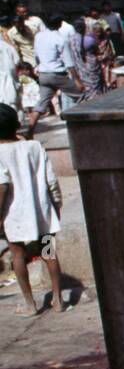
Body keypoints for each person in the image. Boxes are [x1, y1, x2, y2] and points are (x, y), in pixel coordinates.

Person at [0, 103, 66, 315]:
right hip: (41, 209)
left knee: (18, 254)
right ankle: (58, 300)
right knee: (49, 252)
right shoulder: (34, 147)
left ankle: (30, 304)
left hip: (14, 213)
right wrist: (56, 205)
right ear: (17, 125)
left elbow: (2, 186)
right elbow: (51, 181)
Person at [28, 15, 83, 134]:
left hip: (43, 74)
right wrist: (77, 81)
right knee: (81, 95)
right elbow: (69, 62)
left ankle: (30, 129)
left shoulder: (38, 36)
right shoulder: (61, 38)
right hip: (57, 74)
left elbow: (36, 56)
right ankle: (82, 125)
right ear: (60, 24)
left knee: (41, 104)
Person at [73, 19, 103, 99]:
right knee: (95, 86)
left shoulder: (72, 39)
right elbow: (97, 51)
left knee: (86, 87)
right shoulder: (90, 40)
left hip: (79, 67)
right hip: (91, 65)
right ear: (84, 27)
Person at [0, 29, 19, 113]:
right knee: (11, 100)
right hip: (9, 77)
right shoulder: (8, 46)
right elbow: (17, 60)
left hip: (5, 77)